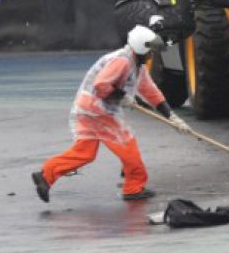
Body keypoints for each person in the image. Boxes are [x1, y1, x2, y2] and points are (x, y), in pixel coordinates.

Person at [31, 25, 175, 203]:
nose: (152, 54)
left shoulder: (136, 64)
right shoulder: (122, 61)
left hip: (86, 109)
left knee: (85, 153)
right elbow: (100, 85)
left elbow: (149, 90)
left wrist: (169, 114)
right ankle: (133, 187)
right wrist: (121, 97)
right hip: (98, 111)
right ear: (141, 48)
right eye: (150, 50)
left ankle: (46, 174)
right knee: (126, 143)